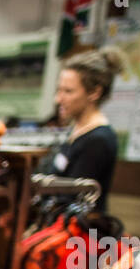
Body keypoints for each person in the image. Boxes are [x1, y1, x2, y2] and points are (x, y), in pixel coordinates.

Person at [42, 47, 124, 207]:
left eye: (68, 91)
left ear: (94, 92)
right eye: (59, 90)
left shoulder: (98, 140)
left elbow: (71, 200)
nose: (58, 99)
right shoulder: (77, 130)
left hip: (78, 229)